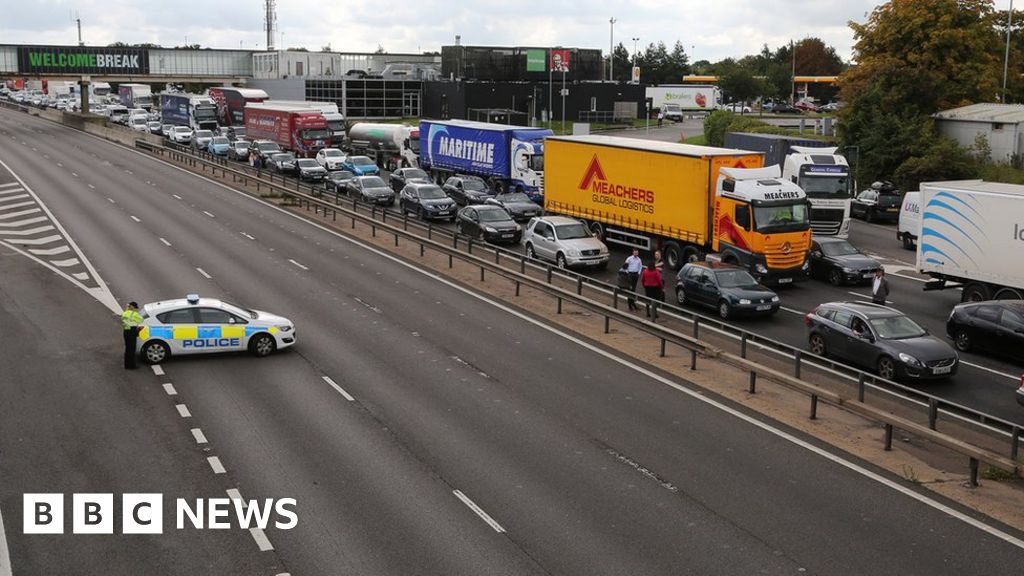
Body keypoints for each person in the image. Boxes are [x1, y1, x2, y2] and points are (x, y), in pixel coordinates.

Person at [121, 301, 143, 369]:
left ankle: (126, 365)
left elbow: (123, 320)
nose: (136, 309)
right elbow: (141, 320)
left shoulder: (124, 313)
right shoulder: (134, 314)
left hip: (125, 332)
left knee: (127, 349)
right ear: (132, 307)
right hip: (132, 332)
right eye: (135, 307)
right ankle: (132, 366)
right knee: (132, 349)